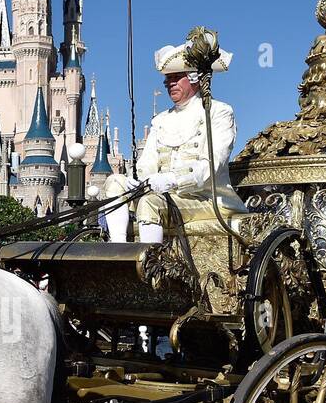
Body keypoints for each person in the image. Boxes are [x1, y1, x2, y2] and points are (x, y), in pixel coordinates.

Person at [102, 30, 244, 243]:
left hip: (205, 199)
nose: (169, 84)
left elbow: (211, 166)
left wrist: (172, 180)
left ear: (194, 78)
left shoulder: (218, 112)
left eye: (176, 77)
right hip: (161, 194)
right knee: (114, 182)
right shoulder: (160, 120)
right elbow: (147, 162)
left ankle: (152, 269)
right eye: (167, 79)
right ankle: (119, 252)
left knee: (150, 204)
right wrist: (143, 182)